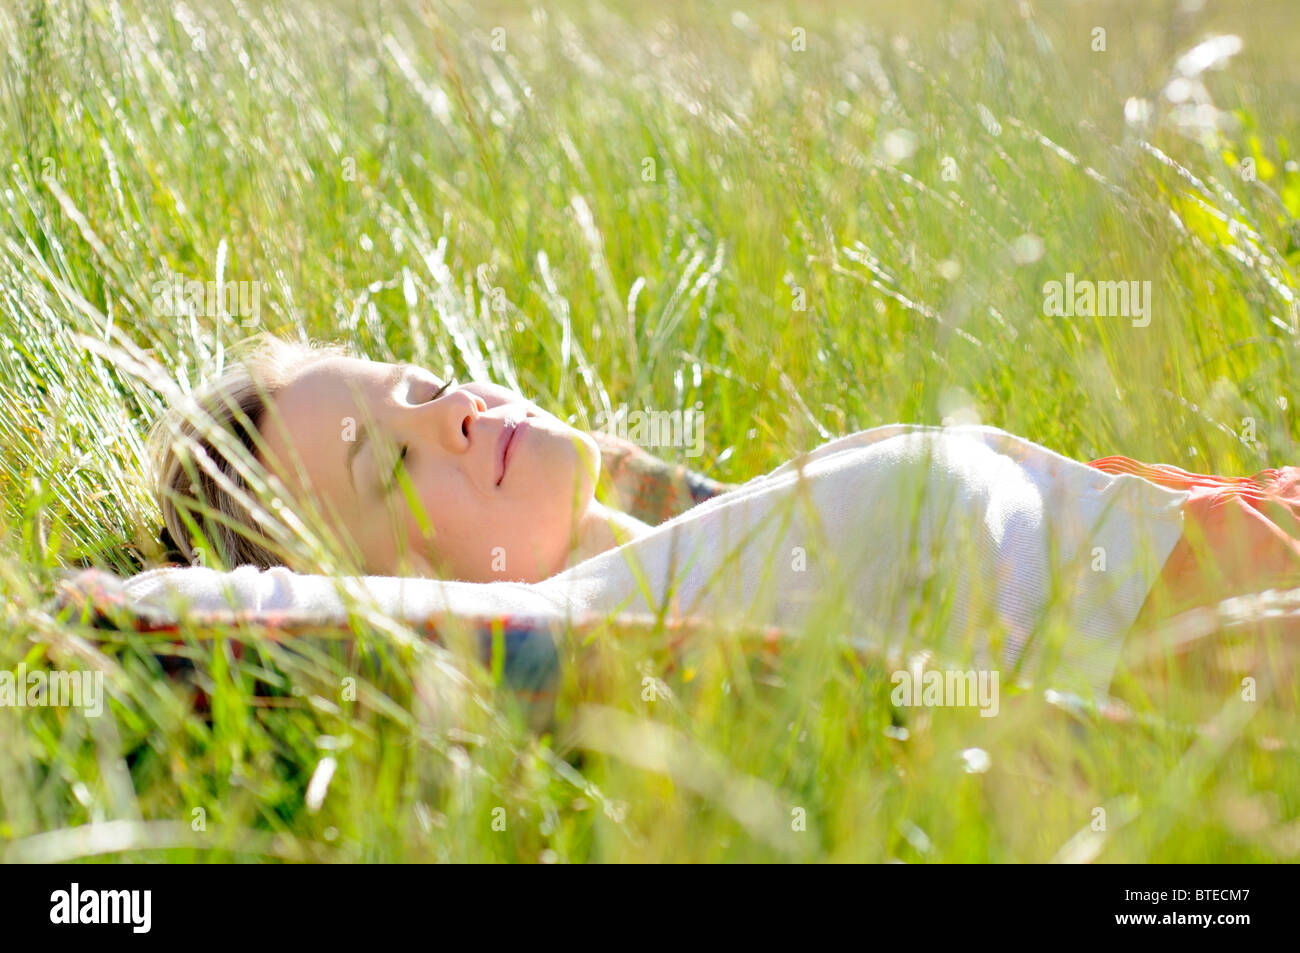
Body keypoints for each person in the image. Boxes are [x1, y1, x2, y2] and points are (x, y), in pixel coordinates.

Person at [146, 334, 1300, 698]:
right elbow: (230, 609)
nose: (446, 412)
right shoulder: (588, 613)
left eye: (408, 383)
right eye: (387, 468)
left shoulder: (703, 529)